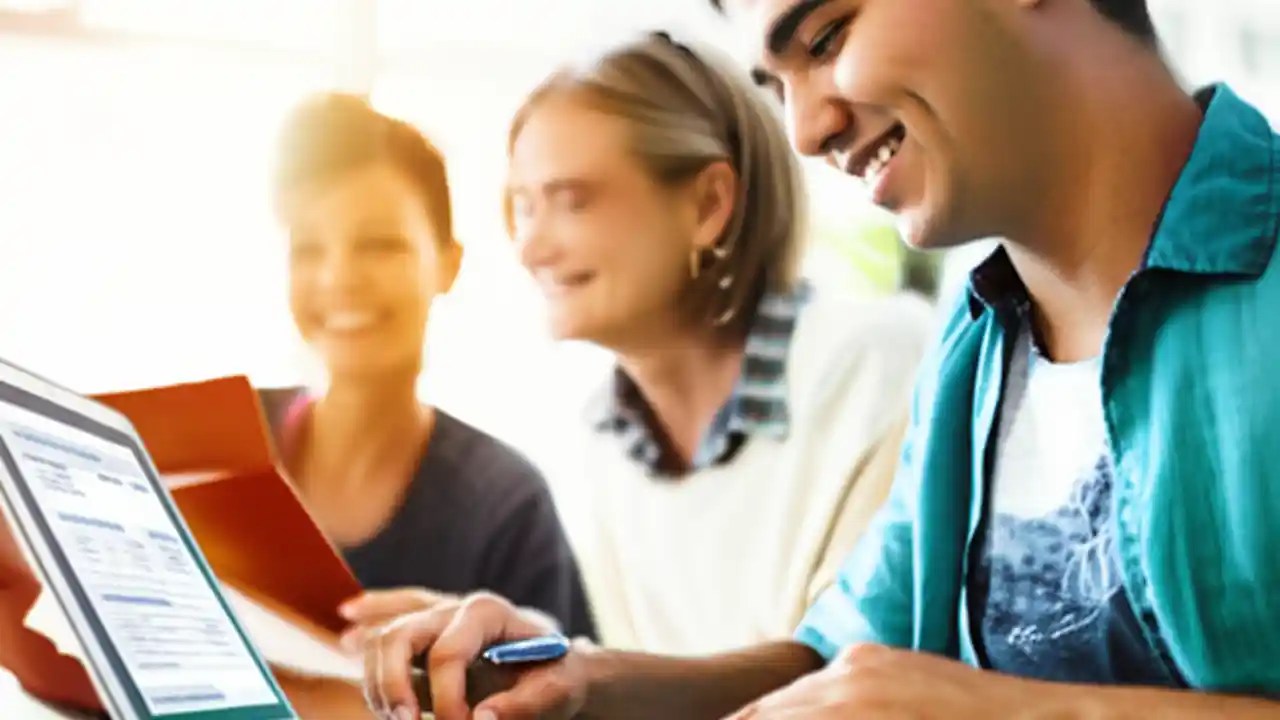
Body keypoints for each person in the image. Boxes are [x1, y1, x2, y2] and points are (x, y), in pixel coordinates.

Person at [360, 0, 1280, 717]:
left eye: (830, 33)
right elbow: (834, 665)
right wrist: (577, 679)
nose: (803, 130)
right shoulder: (975, 357)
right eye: (777, 83)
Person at [342, 28, 931, 662]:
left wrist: (578, 673)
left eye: (572, 202)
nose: (532, 248)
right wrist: (522, 654)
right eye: (524, 207)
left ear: (708, 204)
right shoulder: (600, 444)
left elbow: (848, 681)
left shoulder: (878, 366)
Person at [261, 94, 594, 713]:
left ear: (448, 263)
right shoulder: (218, 447)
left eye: (380, 245)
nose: (338, 278)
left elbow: (568, 696)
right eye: (308, 249)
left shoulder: (504, 503)